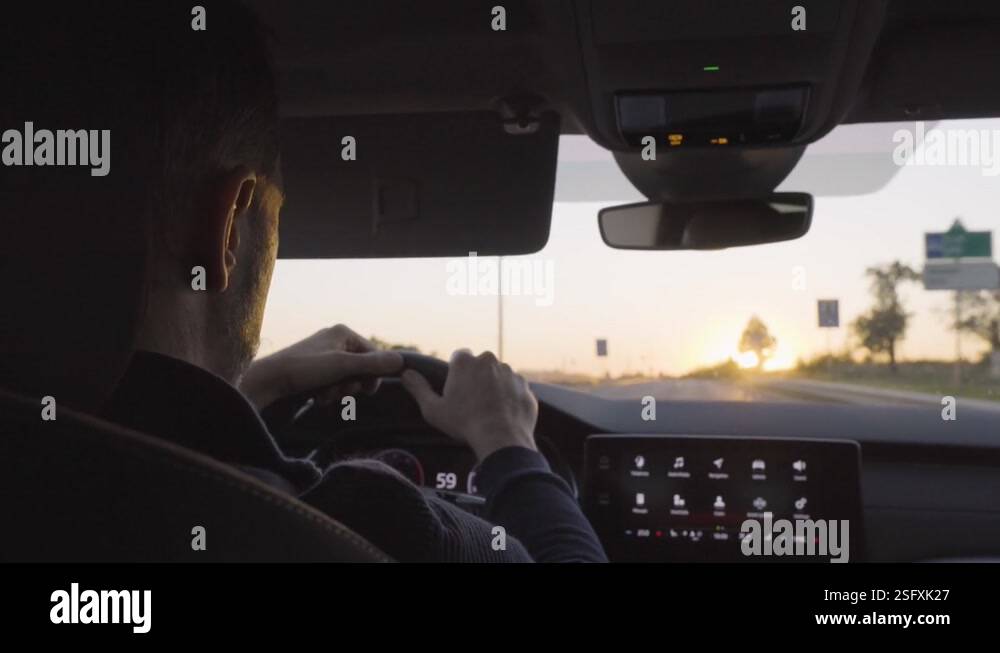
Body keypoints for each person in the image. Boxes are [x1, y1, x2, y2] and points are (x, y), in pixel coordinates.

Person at [0, 0, 606, 562]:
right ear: (228, 228)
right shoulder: (362, 522)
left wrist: (251, 391)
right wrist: (509, 447)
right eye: (276, 214)